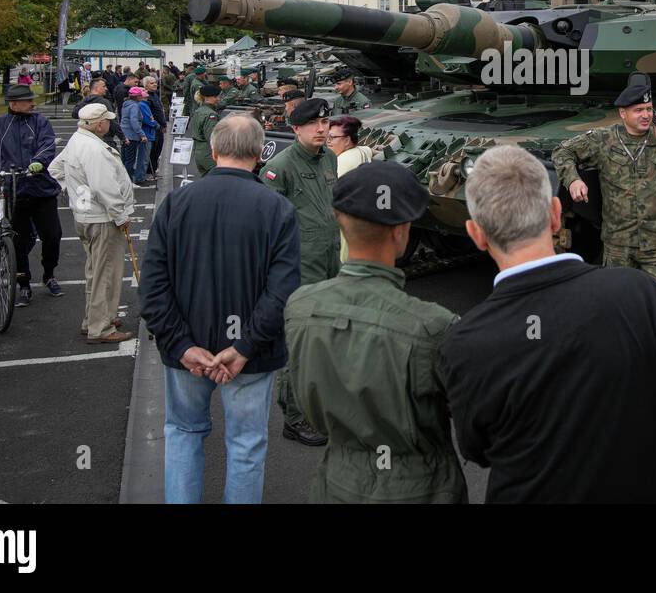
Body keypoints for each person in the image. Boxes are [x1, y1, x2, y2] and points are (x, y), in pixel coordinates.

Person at [439, 145, 656, 503]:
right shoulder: (640, 295)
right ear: (556, 214)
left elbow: (478, 448)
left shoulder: (462, 343)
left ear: (476, 234)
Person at [140, 115, 301, 504]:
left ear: (213, 152)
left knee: (183, 432)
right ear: (260, 155)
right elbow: (283, 291)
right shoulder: (276, 208)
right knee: (246, 444)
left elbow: (153, 286)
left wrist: (181, 344)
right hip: (250, 354)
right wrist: (244, 346)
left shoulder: (177, 203)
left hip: (188, 348)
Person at [284, 160, 465, 503]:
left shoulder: (299, 306)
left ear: (338, 218)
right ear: (401, 231)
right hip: (421, 488)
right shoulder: (432, 325)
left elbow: (292, 395)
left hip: (334, 480)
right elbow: (473, 428)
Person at [552, 72, 656, 301]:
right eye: (638, 110)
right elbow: (563, 151)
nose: (646, 115)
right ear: (623, 113)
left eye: (649, 109)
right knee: (617, 307)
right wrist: (574, 179)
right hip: (618, 245)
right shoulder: (604, 140)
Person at [259, 97, 339, 447]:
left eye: (325, 123)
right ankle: (294, 417)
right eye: (313, 124)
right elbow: (266, 226)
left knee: (324, 338)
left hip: (329, 260)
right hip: (298, 268)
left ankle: (319, 404)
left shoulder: (330, 159)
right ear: (296, 129)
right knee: (298, 343)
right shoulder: (279, 167)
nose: (322, 129)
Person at [48, 102, 135, 343]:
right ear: (98, 124)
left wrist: (76, 193)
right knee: (105, 273)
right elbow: (104, 187)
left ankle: (95, 318)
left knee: (94, 271)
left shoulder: (77, 140)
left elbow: (55, 168)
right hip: (102, 218)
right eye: (107, 120)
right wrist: (121, 215)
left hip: (86, 215)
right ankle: (101, 327)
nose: (109, 123)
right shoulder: (94, 149)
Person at [0, 83, 63, 306]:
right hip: (13, 191)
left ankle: (49, 274)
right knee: (18, 241)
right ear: (13, 104)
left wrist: (38, 162)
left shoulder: (39, 121)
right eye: (27, 101)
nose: (33, 103)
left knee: (52, 235)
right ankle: (23, 284)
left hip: (42, 189)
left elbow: (47, 145)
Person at [326, 115, 374, 264]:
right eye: (327, 136)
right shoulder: (362, 151)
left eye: (332, 137)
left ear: (347, 140)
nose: (328, 141)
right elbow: (368, 149)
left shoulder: (342, 162)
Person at [120, 86, 157, 187]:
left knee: (125, 159)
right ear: (137, 96)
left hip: (124, 133)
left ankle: (125, 180)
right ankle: (128, 181)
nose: (142, 96)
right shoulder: (135, 106)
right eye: (140, 94)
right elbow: (134, 121)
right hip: (131, 135)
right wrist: (142, 134)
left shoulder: (126, 104)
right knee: (130, 160)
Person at [74, 77, 124, 148]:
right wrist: (122, 137)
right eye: (104, 86)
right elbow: (113, 121)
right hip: (104, 139)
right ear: (96, 88)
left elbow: (74, 113)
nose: (106, 88)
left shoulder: (85, 101)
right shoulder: (104, 102)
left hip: (86, 138)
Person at [188, 82, 223, 177]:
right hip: (208, 153)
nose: (218, 99)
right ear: (208, 98)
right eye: (216, 97)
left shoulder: (199, 111)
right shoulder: (211, 115)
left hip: (199, 151)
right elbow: (212, 138)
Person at [143, 75, 167, 178]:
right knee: (152, 150)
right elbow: (150, 115)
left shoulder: (155, 94)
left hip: (159, 126)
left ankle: (154, 169)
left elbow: (159, 111)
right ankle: (149, 171)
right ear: (146, 85)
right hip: (153, 127)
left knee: (158, 149)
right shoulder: (147, 97)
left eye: (155, 82)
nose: (155, 84)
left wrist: (164, 124)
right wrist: (157, 125)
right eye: (152, 83)